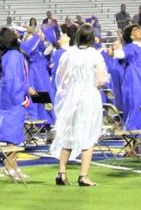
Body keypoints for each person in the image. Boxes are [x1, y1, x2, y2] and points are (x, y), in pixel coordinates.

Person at [51, 22, 107, 187]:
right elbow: (101, 80)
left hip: (72, 96)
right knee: (88, 135)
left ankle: (62, 172)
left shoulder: (69, 54)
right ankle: (83, 176)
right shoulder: (95, 55)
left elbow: (61, 75)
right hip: (89, 96)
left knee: (69, 134)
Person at [0, 27, 29, 181]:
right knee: (13, 135)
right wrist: (21, 98)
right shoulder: (14, 55)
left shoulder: (7, 54)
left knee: (11, 135)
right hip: (13, 98)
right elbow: (13, 80)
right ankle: (10, 167)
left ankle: (12, 167)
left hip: (6, 97)